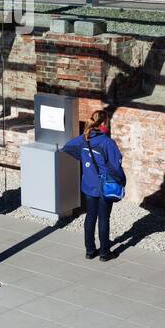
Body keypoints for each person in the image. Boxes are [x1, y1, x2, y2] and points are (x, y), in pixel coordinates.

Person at [61, 110, 126, 262]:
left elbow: (67, 147)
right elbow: (116, 166)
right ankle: (104, 253)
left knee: (90, 217)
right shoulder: (107, 142)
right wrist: (121, 181)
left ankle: (90, 251)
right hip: (105, 186)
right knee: (104, 218)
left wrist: (84, 160)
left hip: (89, 185)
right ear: (104, 123)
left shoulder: (83, 139)